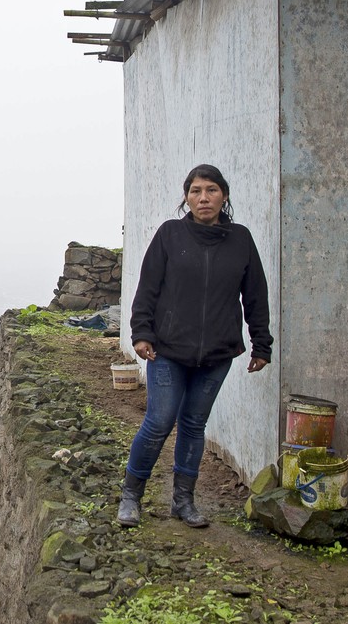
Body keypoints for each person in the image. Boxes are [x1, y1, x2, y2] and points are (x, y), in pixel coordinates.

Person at [117, 163, 272, 528]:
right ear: (186, 197)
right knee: (158, 421)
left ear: (224, 195)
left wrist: (261, 343)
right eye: (196, 191)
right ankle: (130, 496)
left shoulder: (241, 240)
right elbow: (148, 287)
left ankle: (183, 501)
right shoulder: (171, 235)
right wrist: (142, 333)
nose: (203, 198)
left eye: (211, 190)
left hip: (217, 354)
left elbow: (255, 296)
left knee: (193, 424)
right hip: (168, 350)